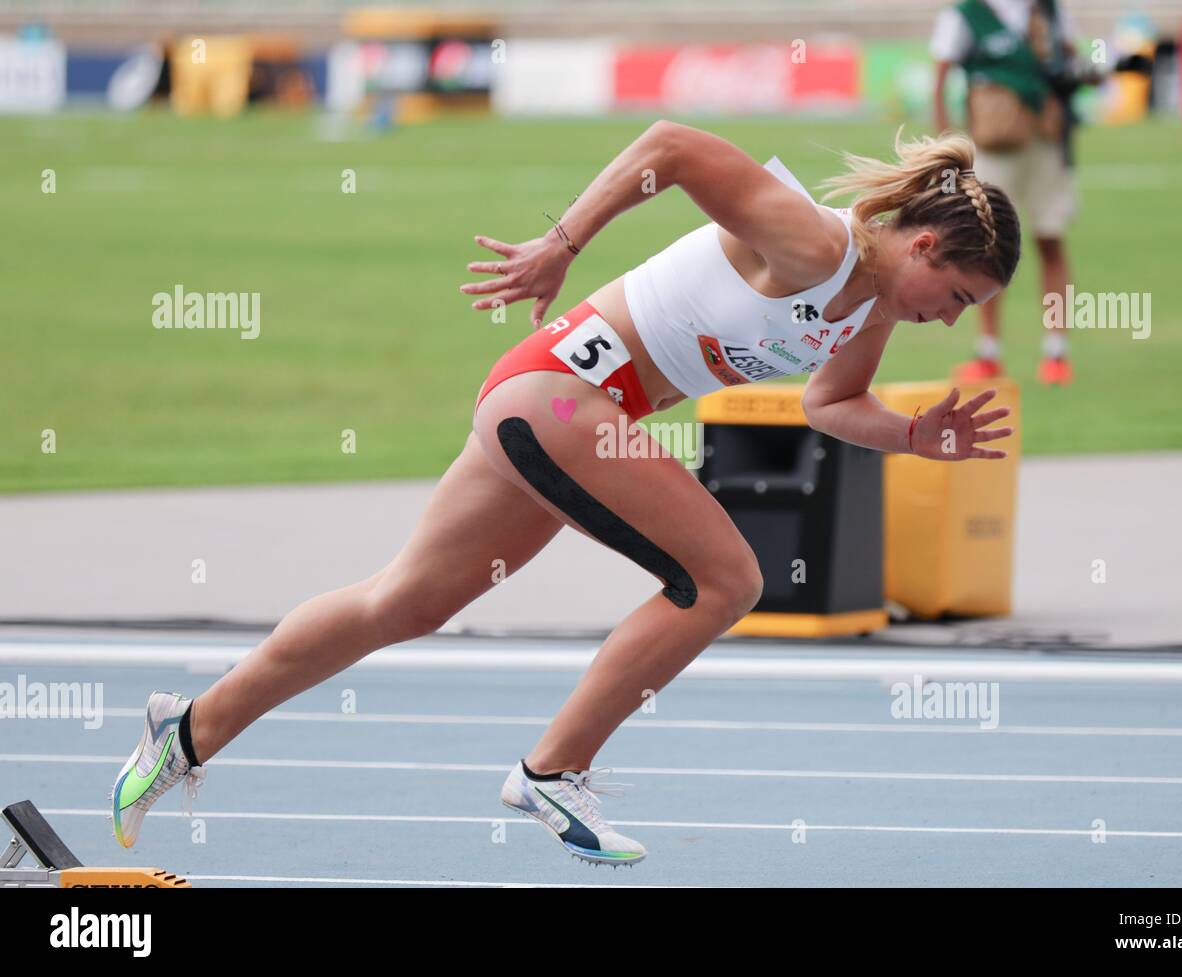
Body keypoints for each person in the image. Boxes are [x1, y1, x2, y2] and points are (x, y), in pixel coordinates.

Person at [111, 122, 1020, 868]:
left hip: (559, 409)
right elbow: (669, 145)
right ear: (926, 243)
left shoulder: (869, 310)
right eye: (956, 293)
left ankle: (184, 730)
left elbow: (831, 403)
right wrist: (559, 245)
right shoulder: (813, 242)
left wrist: (912, 434)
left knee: (403, 601)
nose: (951, 317)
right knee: (727, 578)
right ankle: (554, 770)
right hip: (560, 396)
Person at [932, 0, 1081, 384]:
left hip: (1045, 139)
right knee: (987, 245)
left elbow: (1070, 60)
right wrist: (947, 142)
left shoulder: (1048, 10)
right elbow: (941, 75)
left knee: (1050, 240)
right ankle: (988, 351)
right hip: (992, 143)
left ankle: (1056, 351)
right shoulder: (967, 14)